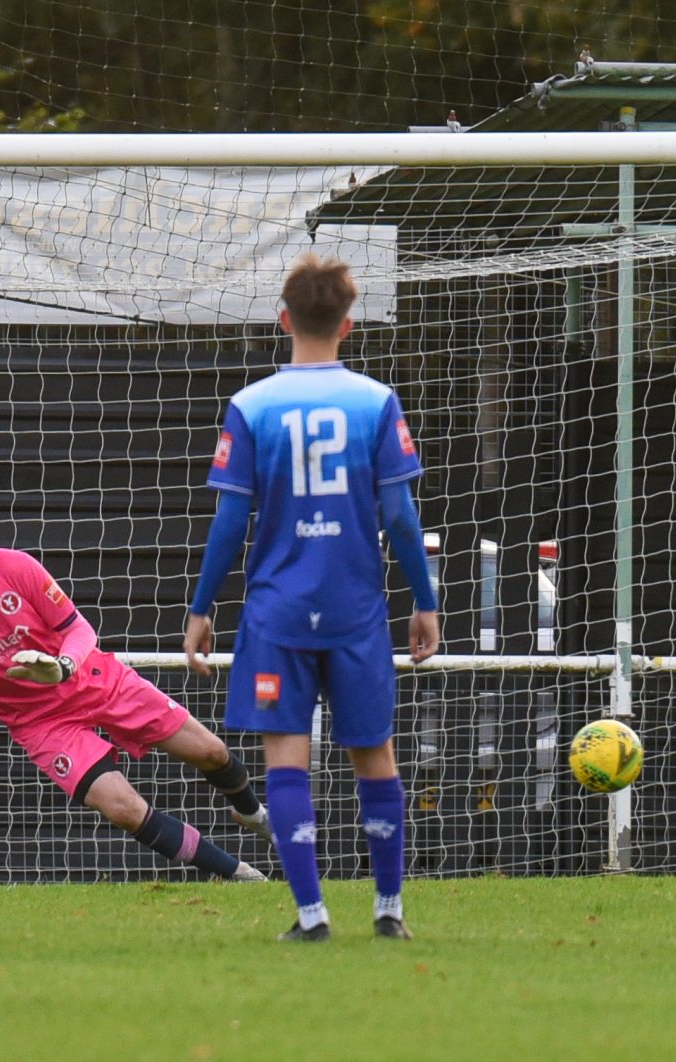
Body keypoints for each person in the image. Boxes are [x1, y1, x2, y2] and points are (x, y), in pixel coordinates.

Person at [182, 254, 439, 942]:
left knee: (286, 758)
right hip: (356, 611)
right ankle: (389, 911)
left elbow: (231, 521)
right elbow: (403, 518)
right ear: (348, 325)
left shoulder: (253, 405)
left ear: (284, 319)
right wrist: (426, 601)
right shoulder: (376, 401)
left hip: (278, 612)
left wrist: (202, 609)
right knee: (373, 754)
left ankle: (312, 915)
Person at [0, 497, 269, 884]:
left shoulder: (15, 566)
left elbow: (79, 629)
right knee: (124, 810)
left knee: (212, 752)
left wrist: (63, 666)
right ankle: (240, 875)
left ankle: (253, 815)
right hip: (43, 725)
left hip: (96, 680)